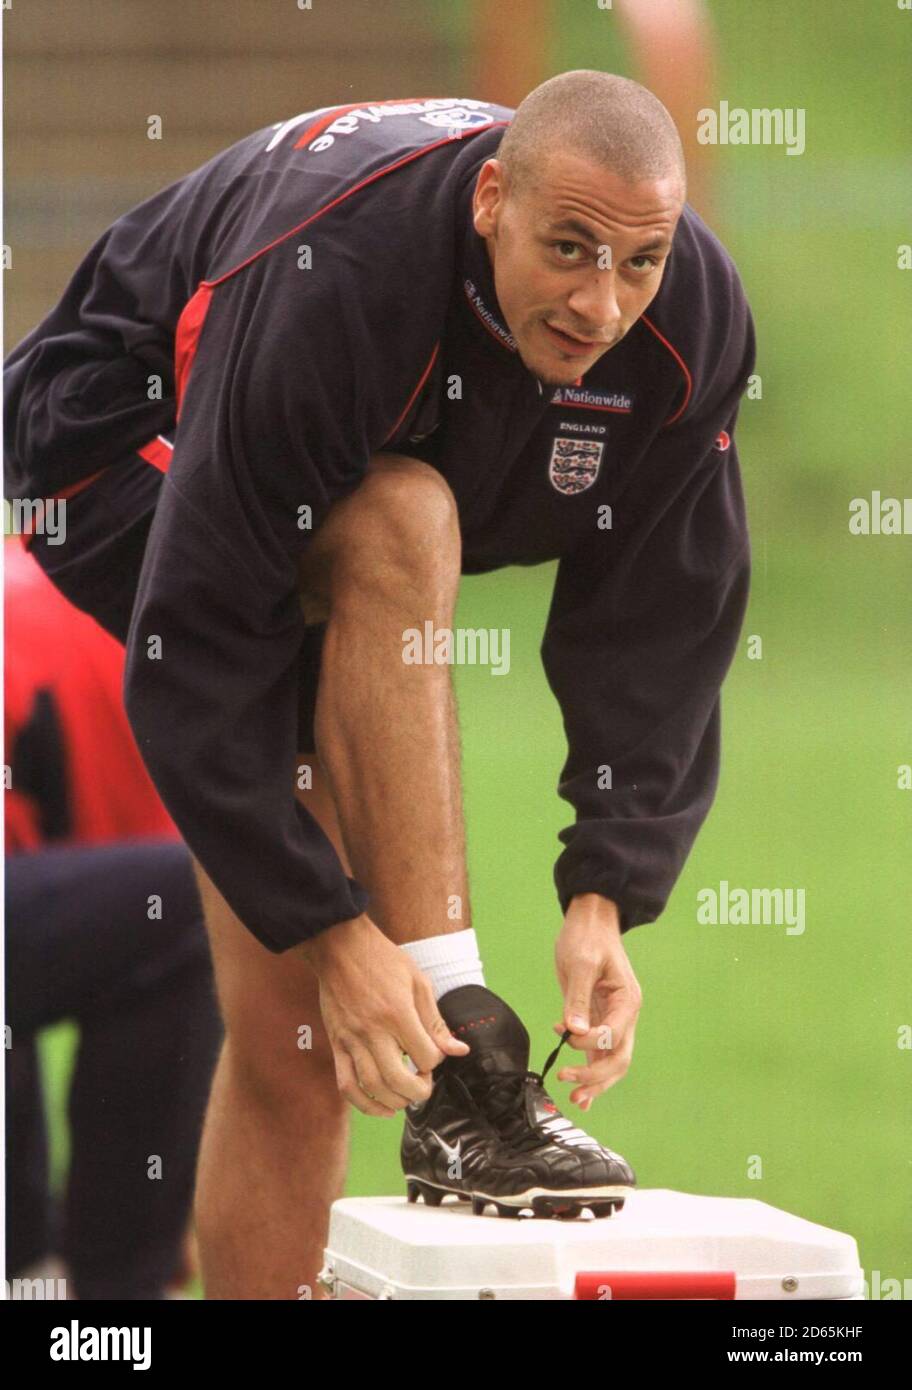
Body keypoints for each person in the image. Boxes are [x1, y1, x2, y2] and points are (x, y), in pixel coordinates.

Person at [4, 70, 755, 1296]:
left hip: (334, 493)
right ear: (491, 202)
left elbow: (660, 618)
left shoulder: (691, 325)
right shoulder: (339, 282)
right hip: (112, 450)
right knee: (403, 519)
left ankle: (442, 1072)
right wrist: (334, 929)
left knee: (298, 1047)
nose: (601, 302)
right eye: (568, 250)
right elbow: (189, 650)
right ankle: (469, 1057)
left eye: (639, 260)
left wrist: (607, 888)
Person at [4, 542, 222, 1297]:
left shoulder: (68, 585)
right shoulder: (173, 649)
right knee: (196, 910)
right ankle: (111, 1304)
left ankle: (33, 1269)